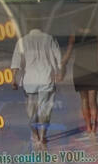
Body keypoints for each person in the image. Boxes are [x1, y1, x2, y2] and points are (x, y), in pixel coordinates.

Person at [10, 19, 62, 151]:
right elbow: (58, 57)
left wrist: (13, 79)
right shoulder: (49, 38)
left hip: (29, 81)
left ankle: (35, 135)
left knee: (31, 112)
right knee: (45, 110)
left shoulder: (22, 41)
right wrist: (59, 71)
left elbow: (16, 62)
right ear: (42, 26)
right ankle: (42, 138)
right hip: (46, 78)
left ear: (28, 27)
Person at [59, 19, 98, 137]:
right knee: (93, 100)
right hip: (93, 68)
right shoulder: (95, 34)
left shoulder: (75, 35)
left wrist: (62, 64)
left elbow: (69, 52)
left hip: (80, 69)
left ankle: (88, 127)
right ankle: (94, 128)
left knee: (84, 100)